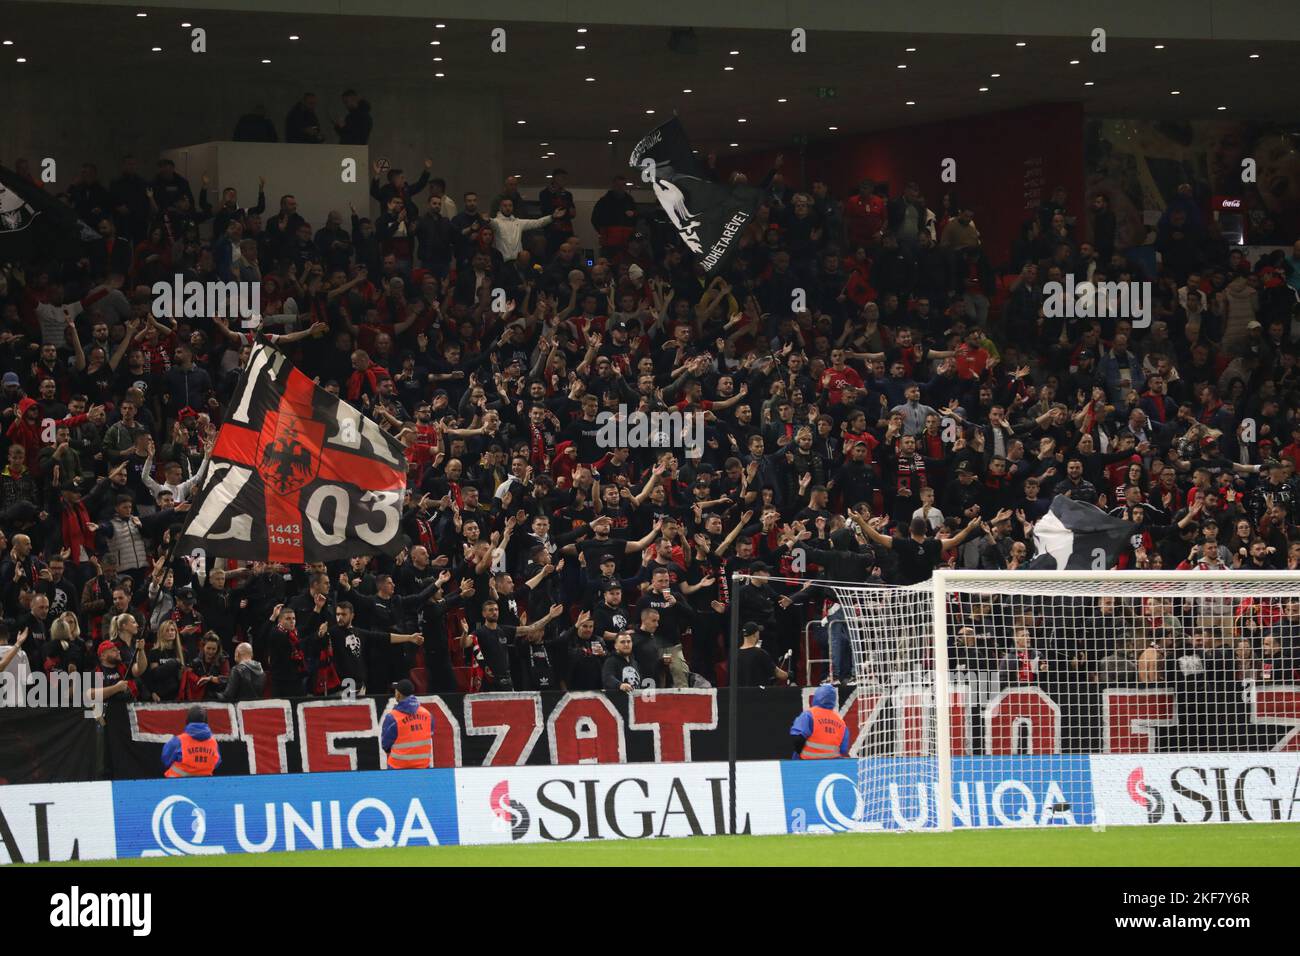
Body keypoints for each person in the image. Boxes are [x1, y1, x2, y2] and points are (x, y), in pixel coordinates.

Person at [381, 678, 433, 769]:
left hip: (398, 769)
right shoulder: (427, 714)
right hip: (423, 768)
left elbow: (385, 745)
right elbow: (430, 734)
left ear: (398, 694)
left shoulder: (392, 717)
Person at [790, 683, 850, 759]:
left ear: (816, 696)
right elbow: (843, 750)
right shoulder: (841, 722)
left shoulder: (809, 715)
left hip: (807, 764)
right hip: (831, 765)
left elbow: (797, 739)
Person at [161, 704, 221, 778]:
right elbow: (217, 763)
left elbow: (165, 759)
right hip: (205, 784)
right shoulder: (213, 742)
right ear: (206, 721)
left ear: (187, 720)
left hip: (176, 784)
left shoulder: (178, 740)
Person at [735, 622, 787, 687]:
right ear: (755, 635)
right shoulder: (760, 653)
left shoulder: (734, 654)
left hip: (739, 695)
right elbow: (777, 673)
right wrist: (788, 675)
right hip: (757, 694)